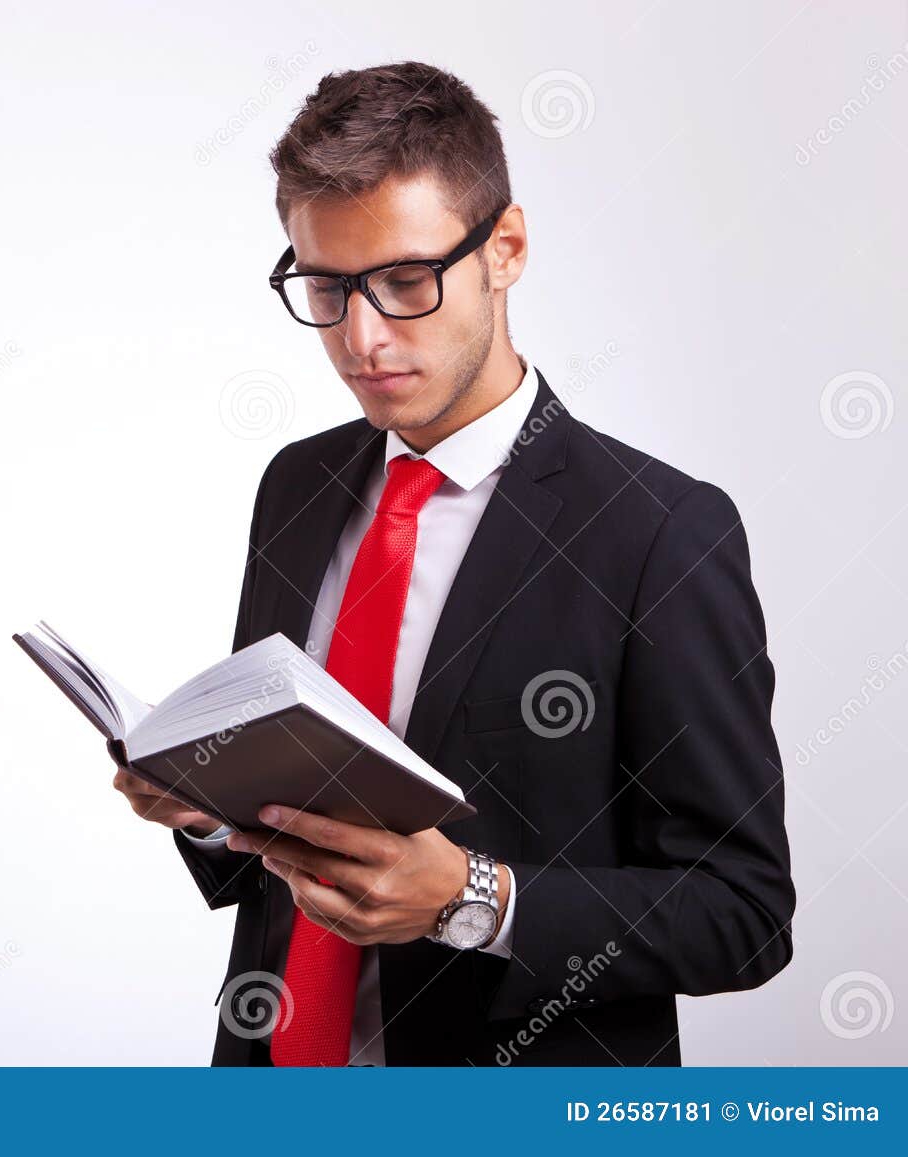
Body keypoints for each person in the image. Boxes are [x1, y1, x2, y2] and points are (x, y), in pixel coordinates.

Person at [113, 61, 795, 1066]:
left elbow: (742, 911)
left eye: (403, 280)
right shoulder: (295, 488)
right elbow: (279, 846)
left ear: (504, 248)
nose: (363, 338)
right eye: (326, 287)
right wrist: (205, 805)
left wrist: (477, 900)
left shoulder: (657, 531)